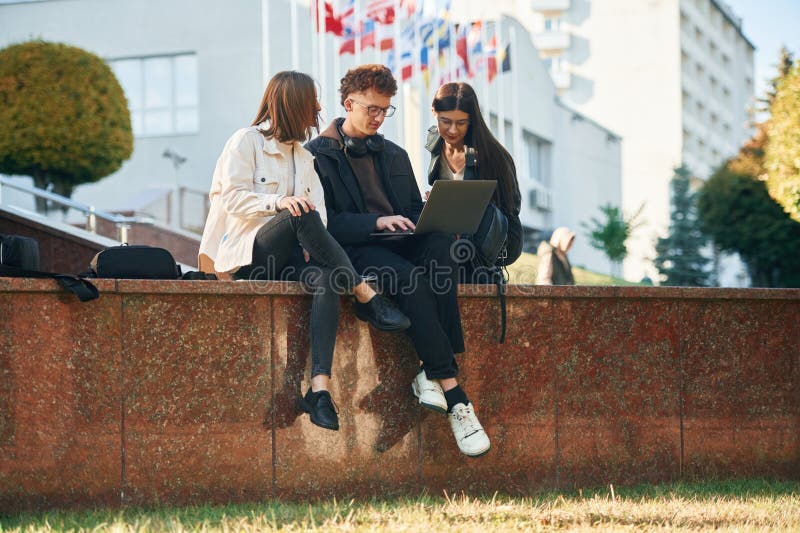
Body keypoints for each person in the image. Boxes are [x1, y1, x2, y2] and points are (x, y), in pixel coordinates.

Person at [198, 71, 410, 432]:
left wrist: (312, 236)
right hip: (250, 258)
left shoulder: (304, 157)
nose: (318, 111)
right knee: (298, 211)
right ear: (293, 105)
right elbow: (230, 198)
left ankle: (319, 390)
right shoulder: (245, 141)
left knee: (326, 276)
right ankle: (365, 293)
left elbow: (321, 219)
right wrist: (278, 202)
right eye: (312, 104)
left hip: (294, 260)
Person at [305, 64, 490, 457]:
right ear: (348, 103)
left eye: (385, 110)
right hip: (355, 250)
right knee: (411, 279)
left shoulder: (394, 153)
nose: (378, 118)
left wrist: (427, 215)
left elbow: (407, 209)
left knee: (441, 247)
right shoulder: (317, 155)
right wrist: (377, 220)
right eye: (371, 108)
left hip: (401, 242)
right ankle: (455, 395)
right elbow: (323, 224)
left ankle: (430, 371)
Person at [425, 82, 522, 281]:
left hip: (481, 253)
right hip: (448, 246)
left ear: (472, 120)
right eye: (445, 121)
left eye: (461, 123)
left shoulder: (494, 157)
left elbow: (511, 210)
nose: (452, 130)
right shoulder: (435, 145)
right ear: (434, 112)